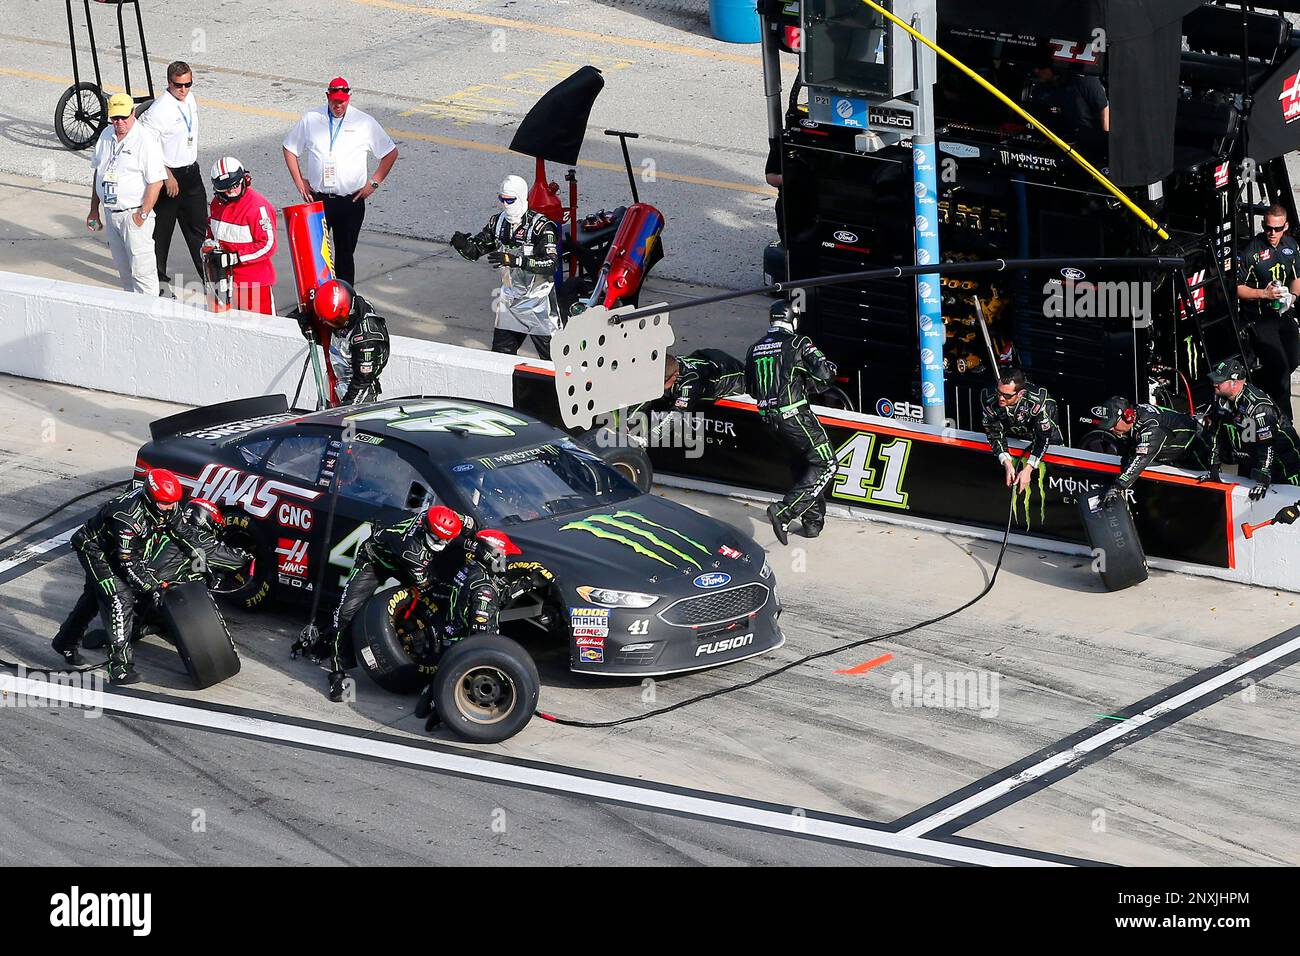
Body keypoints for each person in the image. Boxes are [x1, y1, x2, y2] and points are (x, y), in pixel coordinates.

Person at [323, 505, 478, 701]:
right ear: (426, 529)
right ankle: (337, 674)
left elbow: (473, 526)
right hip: (375, 561)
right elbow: (423, 584)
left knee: (440, 596)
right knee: (345, 613)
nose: (443, 542)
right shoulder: (411, 549)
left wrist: (478, 545)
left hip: (410, 562)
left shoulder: (449, 518)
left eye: (448, 538)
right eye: (438, 538)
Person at [51, 468, 186, 684]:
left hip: (116, 551)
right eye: (164, 503)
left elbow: (184, 533)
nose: (170, 508)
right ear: (150, 498)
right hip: (95, 551)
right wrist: (153, 587)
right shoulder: (126, 518)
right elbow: (128, 563)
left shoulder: (169, 506)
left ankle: (65, 641)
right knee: (119, 600)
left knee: (93, 599)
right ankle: (119, 668)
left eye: (173, 502)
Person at [282, 76, 399, 286]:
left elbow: (390, 153)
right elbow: (290, 148)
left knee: (345, 255)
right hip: (319, 200)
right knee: (317, 256)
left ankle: (345, 302)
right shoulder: (311, 119)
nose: (338, 106)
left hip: (351, 201)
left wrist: (373, 183)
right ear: (327, 97)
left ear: (349, 98)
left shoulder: (364, 122)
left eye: (342, 101)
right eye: (335, 101)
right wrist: (300, 182)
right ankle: (318, 299)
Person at [745, 300, 837, 545]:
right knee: (827, 464)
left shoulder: (754, 348)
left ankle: (812, 524)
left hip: (769, 419)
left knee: (804, 465)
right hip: (795, 415)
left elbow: (752, 389)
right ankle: (784, 511)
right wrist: (819, 378)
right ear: (793, 321)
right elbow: (825, 375)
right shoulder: (799, 342)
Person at [413, 529, 519, 727]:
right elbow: (481, 635)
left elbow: (496, 589)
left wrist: (524, 584)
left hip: (450, 639)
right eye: (506, 555)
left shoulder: (469, 568)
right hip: (465, 649)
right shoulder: (484, 589)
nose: (507, 560)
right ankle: (441, 713)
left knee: (438, 681)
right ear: (494, 554)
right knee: (453, 690)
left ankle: (430, 703)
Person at [450, 175, 561, 360]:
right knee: (500, 359)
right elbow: (475, 251)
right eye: (501, 199)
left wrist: (517, 261)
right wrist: (462, 245)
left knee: (555, 361)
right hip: (509, 301)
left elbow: (551, 264)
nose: (505, 204)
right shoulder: (498, 223)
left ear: (521, 197)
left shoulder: (541, 227)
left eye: (510, 200)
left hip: (538, 302)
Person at [87, 93, 166, 296]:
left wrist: (141, 215)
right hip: (111, 213)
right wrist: (94, 210)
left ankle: (149, 314)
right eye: (115, 118)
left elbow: (155, 182)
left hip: (133, 216)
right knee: (124, 272)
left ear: (133, 113)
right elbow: (99, 172)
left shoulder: (145, 140)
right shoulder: (106, 135)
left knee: (143, 274)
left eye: (123, 117)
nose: (119, 122)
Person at [140, 61, 207, 295]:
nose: (184, 89)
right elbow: (147, 145)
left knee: (200, 231)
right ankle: (158, 283)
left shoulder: (190, 99)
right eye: (179, 85)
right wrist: (166, 175)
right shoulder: (160, 109)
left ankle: (210, 280)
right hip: (169, 177)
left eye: (188, 84)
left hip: (191, 173)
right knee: (162, 234)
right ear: (169, 83)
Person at [1200, 358, 1300, 500]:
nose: (1214, 383)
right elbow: (1216, 433)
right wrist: (1213, 468)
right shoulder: (1220, 399)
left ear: (1234, 383)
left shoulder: (1258, 407)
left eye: (1219, 381)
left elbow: (1267, 445)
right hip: (1251, 461)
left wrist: (1263, 479)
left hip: (1284, 465)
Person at [1235, 204, 1300, 413]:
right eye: (1268, 228)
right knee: (1280, 368)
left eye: (1277, 229)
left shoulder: (1291, 246)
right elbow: (1237, 288)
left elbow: (1297, 277)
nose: (1272, 233)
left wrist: (1293, 298)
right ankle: (1283, 417)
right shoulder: (1251, 252)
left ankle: (1259, 386)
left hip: (1282, 314)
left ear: (1286, 227)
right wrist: (1264, 293)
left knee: (1293, 359)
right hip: (1260, 318)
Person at [289, 278, 390, 405]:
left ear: (350, 310)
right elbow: (333, 343)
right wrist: (308, 326)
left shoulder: (367, 338)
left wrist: (346, 407)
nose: (333, 325)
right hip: (334, 386)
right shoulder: (347, 314)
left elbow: (363, 381)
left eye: (337, 320)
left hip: (358, 395)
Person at [1094, 397, 1212, 503]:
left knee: (1204, 491)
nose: (1110, 428)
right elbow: (1130, 451)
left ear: (1128, 416)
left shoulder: (1151, 428)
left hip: (1196, 449)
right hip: (1173, 448)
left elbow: (1141, 459)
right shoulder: (1136, 415)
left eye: (1113, 424)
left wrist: (1118, 486)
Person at [204, 157, 278, 315]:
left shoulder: (258, 207)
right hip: (223, 280)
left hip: (253, 284)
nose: (231, 192)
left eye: (235, 186)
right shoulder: (217, 204)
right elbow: (212, 230)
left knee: (262, 330)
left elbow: (268, 244)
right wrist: (209, 245)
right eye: (225, 189)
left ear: (245, 179)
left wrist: (235, 257)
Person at [981, 368, 1061, 493]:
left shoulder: (1038, 402)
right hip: (1014, 435)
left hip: (1045, 437)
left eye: (1007, 395)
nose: (1001, 398)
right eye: (999, 392)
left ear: (1020, 393)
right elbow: (993, 433)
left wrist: (1029, 468)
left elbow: (1043, 438)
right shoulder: (989, 399)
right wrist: (1007, 463)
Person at [1026, 45, 1109, 149]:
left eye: (1041, 67)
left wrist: (1106, 142)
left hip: (1088, 141)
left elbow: (1103, 108)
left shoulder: (1084, 80)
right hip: (1058, 141)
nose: (1036, 71)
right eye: (1035, 67)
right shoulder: (1040, 87)